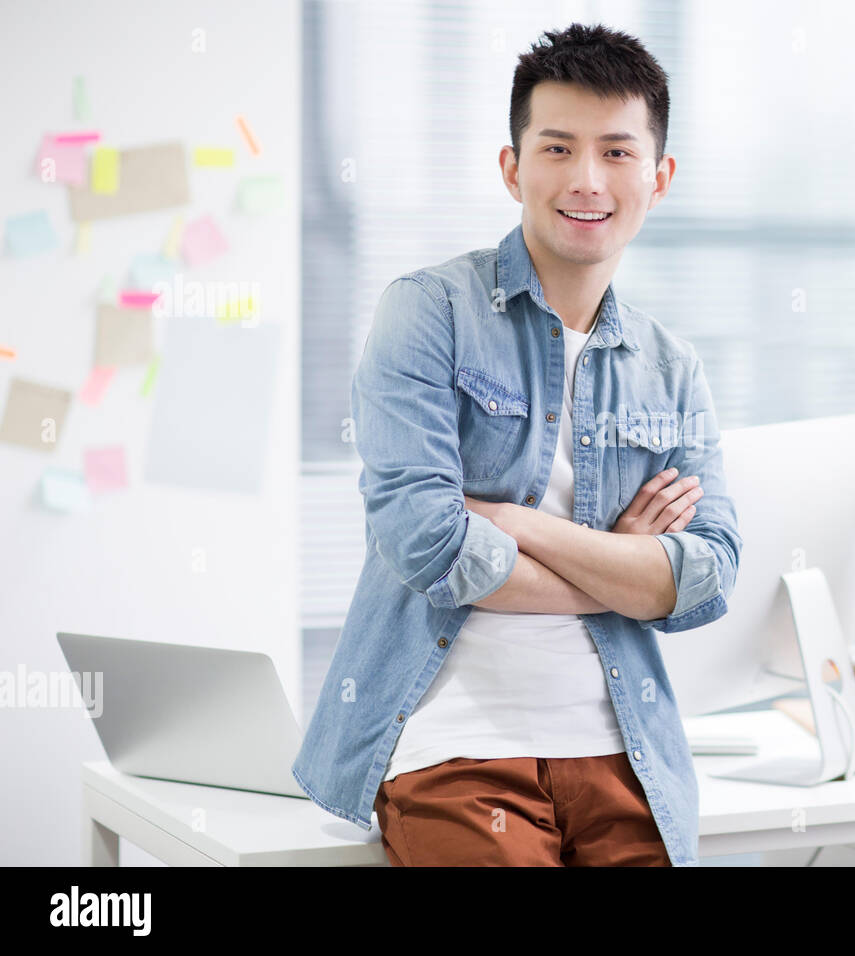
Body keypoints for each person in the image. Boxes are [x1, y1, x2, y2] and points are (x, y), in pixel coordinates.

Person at [291, 21, 742, 867]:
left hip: (626, 758)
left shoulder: (672, 368)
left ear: (660, 176)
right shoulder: (428, 313)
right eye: (557, 147)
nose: (585, 179)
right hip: (453, 753)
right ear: (513, 167)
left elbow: (706, 574)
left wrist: (521, 524)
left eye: (616, 152)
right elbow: (431, 544)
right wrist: (622, 571)